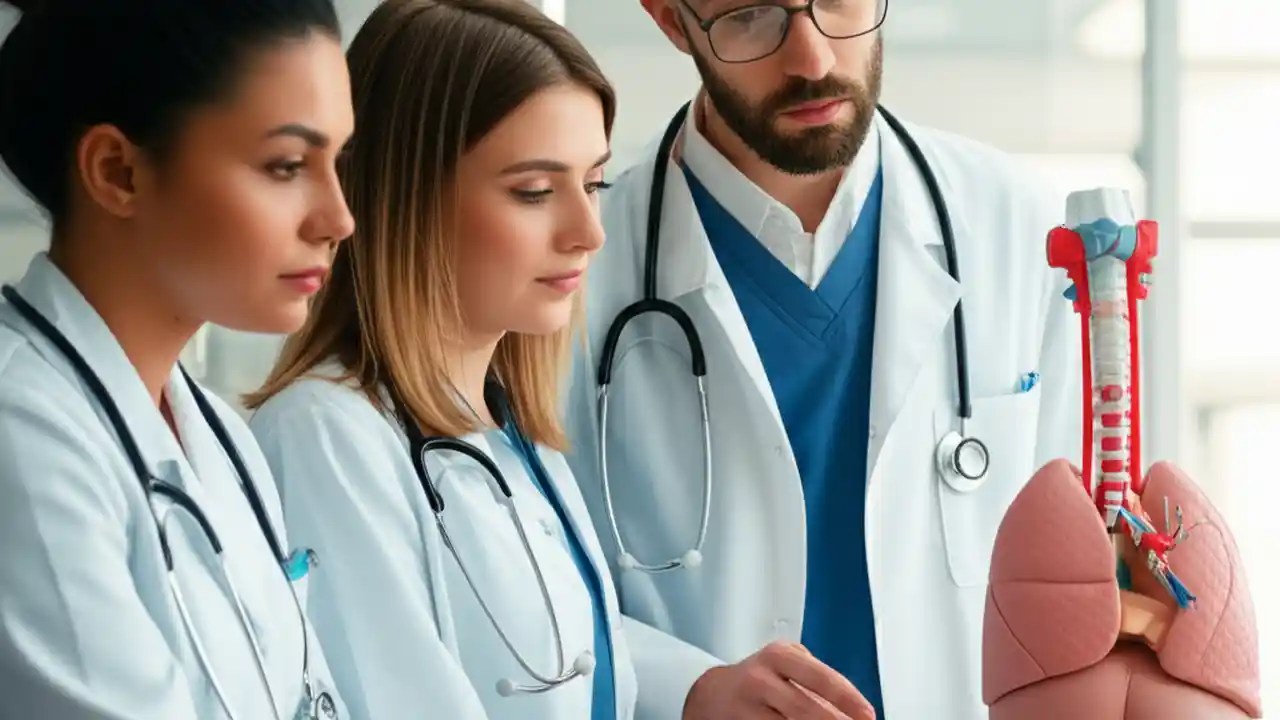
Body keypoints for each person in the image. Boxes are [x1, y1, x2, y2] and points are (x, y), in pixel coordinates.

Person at [560, 0, 1083, 718]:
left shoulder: (1019, 227)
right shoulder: (576, 266)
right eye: (752, 15)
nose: (813, 59)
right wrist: (685, 686)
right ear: (671, 20)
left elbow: (1085, 565)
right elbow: (530, 589)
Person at [0, 0, 355, 718]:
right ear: (118, 172)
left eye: (338, 163)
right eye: (287, 166)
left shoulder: (219, 438)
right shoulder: (21, 438)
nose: (339, 218)